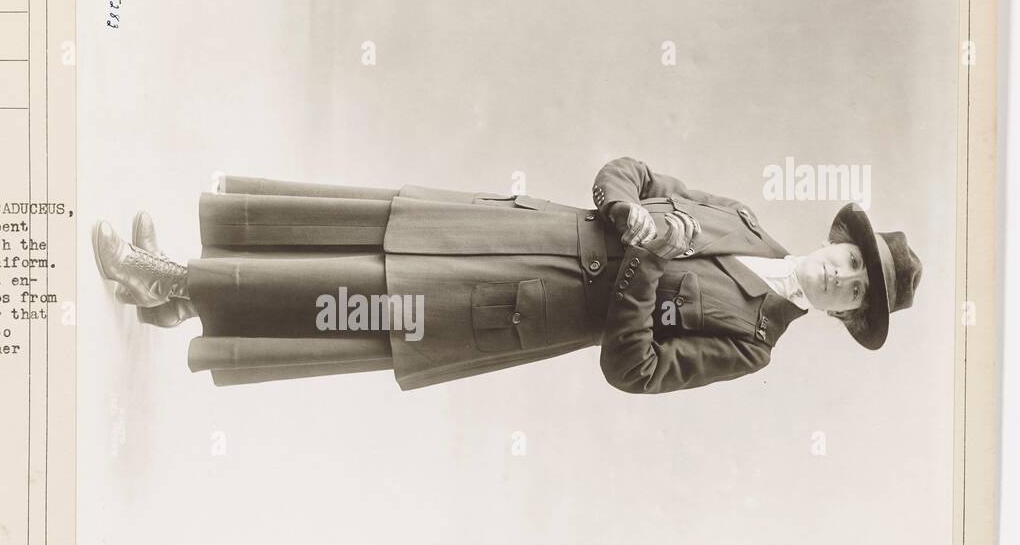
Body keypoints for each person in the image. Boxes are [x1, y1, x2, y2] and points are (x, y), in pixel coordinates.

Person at [91, 157, 922, 393]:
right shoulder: (741, 217)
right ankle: (190, 299)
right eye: (851, 261)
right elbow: (629, 169)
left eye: (853, 289)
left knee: (357, 297)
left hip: (529, 306)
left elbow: (634, 369)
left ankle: (167, 281)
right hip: (516, 230)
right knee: (369, 231)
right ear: (834, 241)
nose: (841, 275)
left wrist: (644, 261)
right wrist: (626, 207)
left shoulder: (751, 342)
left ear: (847, 317)